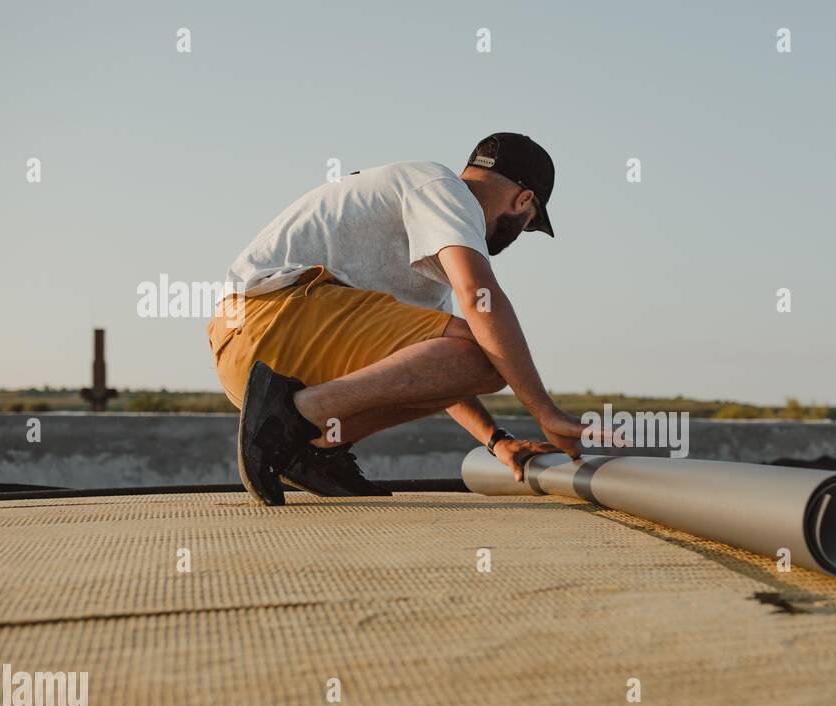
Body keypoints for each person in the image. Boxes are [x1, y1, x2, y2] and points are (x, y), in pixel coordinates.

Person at [206, 132, 584, 505]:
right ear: (523, 201)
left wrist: (496, 441)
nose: (521, 232)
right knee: (491, 345)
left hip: (252, 352)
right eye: (530, 223)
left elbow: (436, 373)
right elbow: (480, 298)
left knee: (474, 354)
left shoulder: (427, 248)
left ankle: (310, 448)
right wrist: (544, 412)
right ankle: (289, 417)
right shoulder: (442, 188)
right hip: (270, 316)